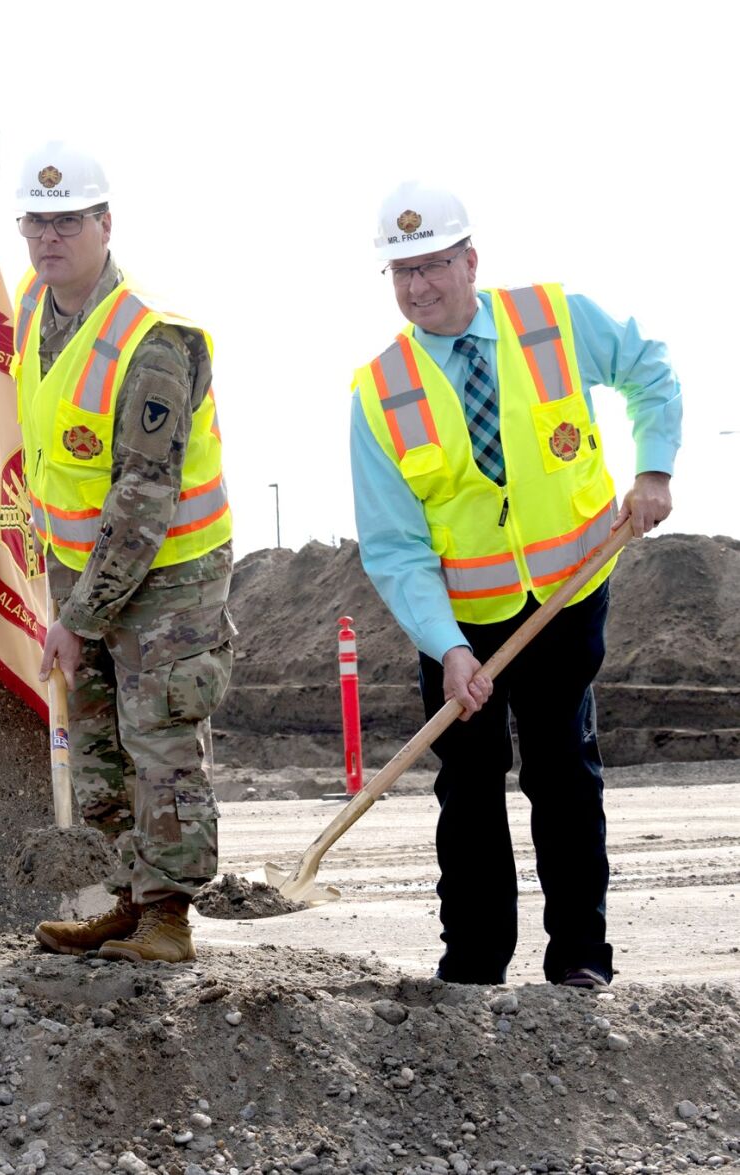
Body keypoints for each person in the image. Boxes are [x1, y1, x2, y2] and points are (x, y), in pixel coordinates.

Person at [349, 181, 682, 988]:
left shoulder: (552, 320)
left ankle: (578, 957)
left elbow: (648, 370)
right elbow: (395, 548)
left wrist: (652, 468)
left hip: (567, 595)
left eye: (430, 265)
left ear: (469, 260)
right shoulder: (378, 391)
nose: (416, 286)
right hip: (462, 620)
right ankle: (472, 962)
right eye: (400, 272)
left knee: (561, 768)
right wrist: (448, 649)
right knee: (465, 785)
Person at [10, 142, 236, 964]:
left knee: (159, 744)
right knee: (100, 745)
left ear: (104, 223)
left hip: (167, 576)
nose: (48, 238)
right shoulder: (35, 307)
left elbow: (143, 499)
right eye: (35, 221)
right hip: (84, 572)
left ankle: (167, 919)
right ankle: (127, 900)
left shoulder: (153, 338)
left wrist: (78, 614)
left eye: (67, 220)